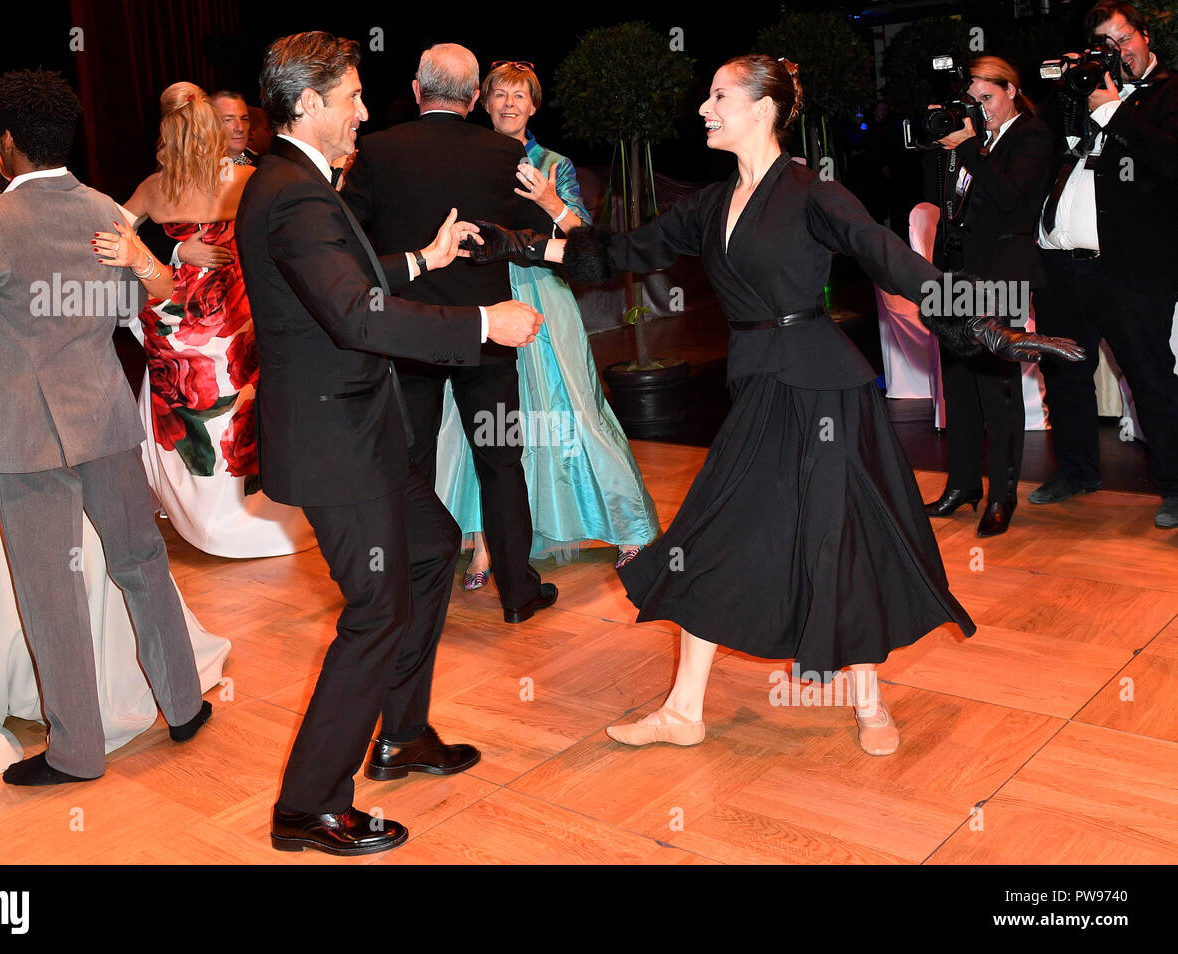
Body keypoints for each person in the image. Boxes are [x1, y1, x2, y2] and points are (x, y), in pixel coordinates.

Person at [469, 55, 1082, 756]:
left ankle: (869, 703)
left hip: (823, 389)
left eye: (719, 96)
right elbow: (619, 254)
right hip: (759, 387)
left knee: (838, 536)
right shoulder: (710, 203)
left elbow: (888, 256)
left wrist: (984, 326)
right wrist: (522, 243)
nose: (704, 108)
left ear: (761, 109)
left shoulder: (811, 191)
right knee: (712, 534)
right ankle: (683, 712)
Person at [235, 31, 542, 855]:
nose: (364, 113)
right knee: (376, 610)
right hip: (336, 441)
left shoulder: (297, 182)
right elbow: (355, 316)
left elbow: (345, 280)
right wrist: (482, 323)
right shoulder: (294, 194)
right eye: (352, 97)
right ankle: (308, 806)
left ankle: (402, 736)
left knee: (433, 546)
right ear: (309, 103)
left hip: (359, 430)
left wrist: (422, 258)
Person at [0, 68, 210, 785]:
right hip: (107, 416)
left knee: (51, 590)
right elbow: (133, 301)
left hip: (33, 435)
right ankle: (185, 706)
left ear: (2, 146)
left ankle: (76, 752)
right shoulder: (105, 209)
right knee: (141, 561)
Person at [341, 43, 558, 624]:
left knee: (411, 462)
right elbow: (536, 238)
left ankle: (410, 591)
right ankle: (518, 593)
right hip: (488, 333)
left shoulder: (377, 150)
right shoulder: (503, 152)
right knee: (501, 461)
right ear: (475, 97)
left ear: (417, 90)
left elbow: (348, 242)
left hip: (409, 332)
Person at [437, 60, 658, 582]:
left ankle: (627, 526)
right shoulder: (467, 159)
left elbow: (586, 242)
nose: (509, 104)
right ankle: (486, 541)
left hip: (543, 297)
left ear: (534, 106)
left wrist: (550, 200)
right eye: (499, 94)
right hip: (483, 297)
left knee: (572, 407)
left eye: (520, 96)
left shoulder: (553, 163)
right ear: (482, 103)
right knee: (480, 419)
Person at [122, 82, 313, 558]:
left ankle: (199, 514)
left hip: (175, 319)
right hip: (232, 312)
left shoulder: (154, 188)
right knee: (237, 403)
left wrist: (170, 249)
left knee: (188, 408)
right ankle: (250, 508)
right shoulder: (248, 178)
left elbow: (110, 233)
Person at [1031, 0, 1178, 529]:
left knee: (1148, 375)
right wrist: (1069, 88)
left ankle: (1175, 485)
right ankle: (1076, 471)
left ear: (1145, 35)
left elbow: (1169, 163)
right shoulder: (1081, 91)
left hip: (1130, 267)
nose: (1117, 52)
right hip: (1059, 264)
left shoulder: (1169, 93)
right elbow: (1042, 148)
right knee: (1065, 371)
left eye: (1124, 39)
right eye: (1104, 45)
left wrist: (1113, 109)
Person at [923, 56, 1054, 537]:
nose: (981, 107)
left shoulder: (1030, 136)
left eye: (988, 97)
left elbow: (1010, 198)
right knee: (957, 386)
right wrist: (947, 146)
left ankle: (1001, 495)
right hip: (955, 274)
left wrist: (968, 147)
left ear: (1012, 90)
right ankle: (962, 485)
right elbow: (945, 204)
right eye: (973, 99)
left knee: (997, 391)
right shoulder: (974, 141)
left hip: (1002, 275)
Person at [212, 90, 259, 165]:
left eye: (244, 119)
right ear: (210, 125)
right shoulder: (197, 167)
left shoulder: (264, 166)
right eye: (228, 120)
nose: (240, 128)